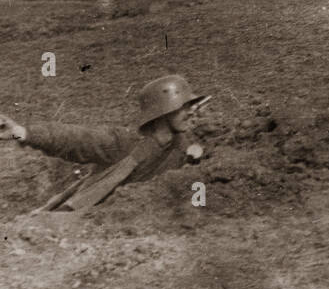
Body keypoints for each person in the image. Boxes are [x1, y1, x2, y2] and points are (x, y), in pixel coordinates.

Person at [0, 75, 209, 210]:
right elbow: (75, 139)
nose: (191, 111)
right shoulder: (125, 142)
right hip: (93, 218)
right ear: (164, 111)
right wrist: (22, 133)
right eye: (184, 106)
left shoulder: (183, 144)